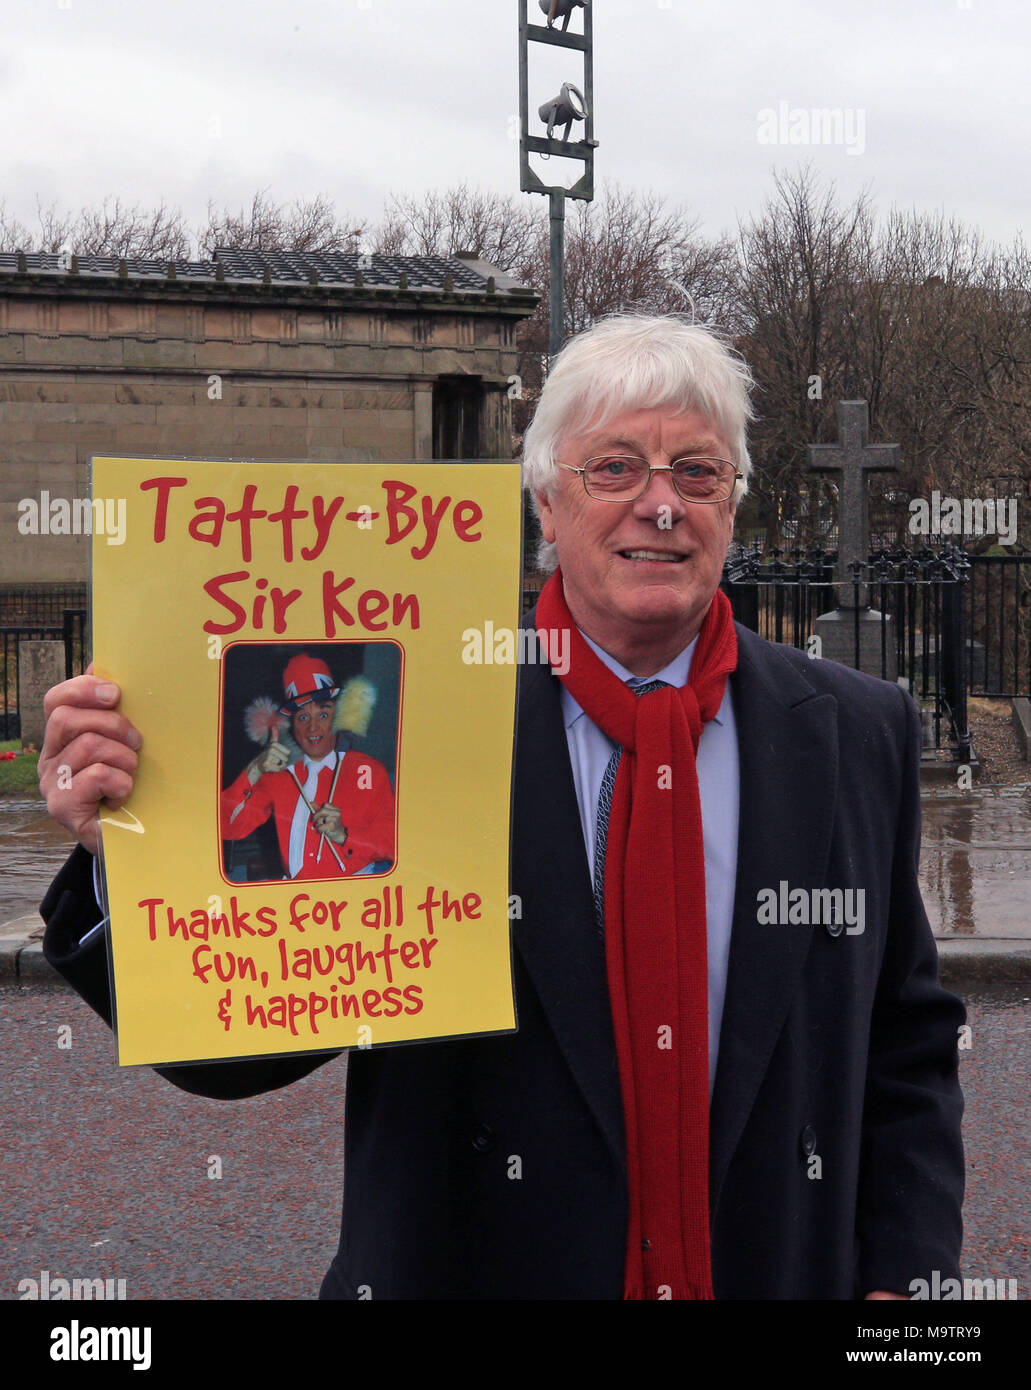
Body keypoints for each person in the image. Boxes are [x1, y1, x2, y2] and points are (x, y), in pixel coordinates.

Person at [37, 313, 964, 1300]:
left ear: (731, 502)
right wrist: (128, 849)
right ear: (544, 505)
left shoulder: (856, 730)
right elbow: (238, 1051)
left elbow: (902, 1041)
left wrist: (906, 1288)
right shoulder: (417, 720)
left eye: (696, 472)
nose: (660, 506)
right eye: (613, 468)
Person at [220, 653, 395, 880]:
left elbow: (393, 844)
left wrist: (344, 835)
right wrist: (255, 768)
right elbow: (228, 827)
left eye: (323, 714)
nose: (313, 727)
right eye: (302, 717)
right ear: (292, 726)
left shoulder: (369, 772)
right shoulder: (278, 776)